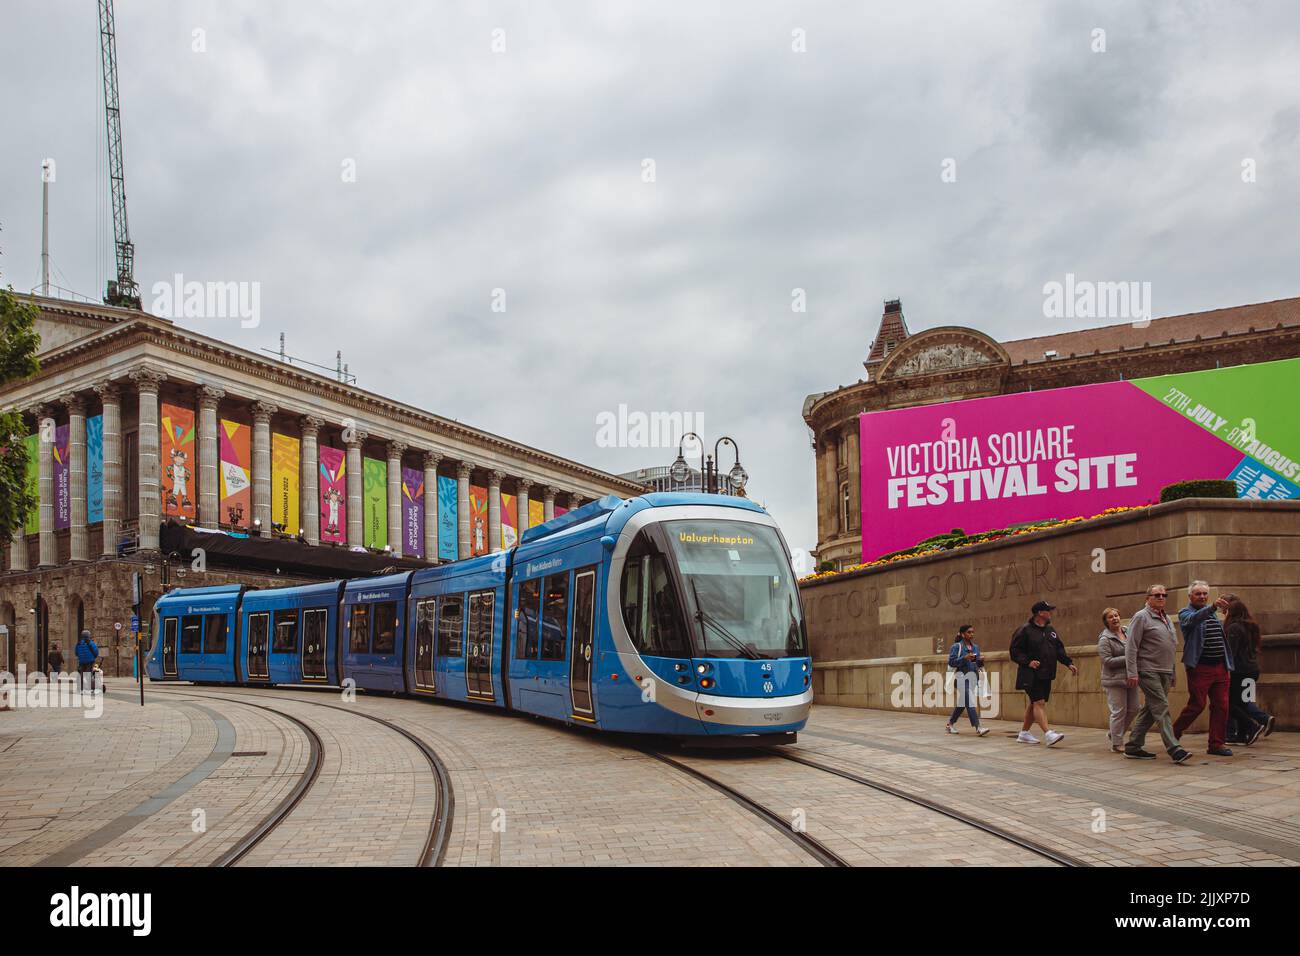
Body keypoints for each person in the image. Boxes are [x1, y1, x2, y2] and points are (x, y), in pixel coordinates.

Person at [1124, 584, 1192, 764]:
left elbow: (1170, 647)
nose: (1161, 597)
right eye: (1157, 595)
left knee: (1150, 709)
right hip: (1147, 670)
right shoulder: (1141, 617)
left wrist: (1173, 673)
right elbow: (1131, 647)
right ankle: (1174, 748)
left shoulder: (1167, 619)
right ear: (1148, 598)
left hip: (1165, 671)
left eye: (1164, 595)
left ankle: (1133, 746)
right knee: (1161, 707)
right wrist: (1132, 672)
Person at [1172, 581, 1234, 757]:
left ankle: (1216, 744)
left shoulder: (1212, 614)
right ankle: (1173, 732)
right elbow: (1194, 619)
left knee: (1221, 706)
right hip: (1200, 668)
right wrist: (1213, 607)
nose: (1202, 597)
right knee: (1197, 705)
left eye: (1205, 594)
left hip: (1221, 667)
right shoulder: (1185, 613)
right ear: (1190, 596)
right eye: (1198, 594)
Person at [1010, 600, 1077, 746]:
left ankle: (1024, 733)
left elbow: (1059, 649)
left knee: (1035, 703)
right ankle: (1048, 734)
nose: (1050, 613)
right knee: (1039, 702)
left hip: (1046, 673)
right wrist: (1028, 662)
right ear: (1040, 613)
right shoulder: (1024, 630)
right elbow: (1014, 652)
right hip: (1030, 673)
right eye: (1048, 610)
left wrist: (1068, 663)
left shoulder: (1050, 630)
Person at [1222, 594, 1273, 745]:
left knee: (1231, 703)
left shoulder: (1234, 627)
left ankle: (1258, 722)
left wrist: (1226, 669)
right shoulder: (1251, 626)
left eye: (1227, 611)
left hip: (1240, 671)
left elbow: (1231, 652)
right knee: (1244, 700)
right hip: (1252, 669)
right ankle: (1243, 734)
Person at [1097, 608, 1137, 753]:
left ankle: (1113, 734)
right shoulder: (1105, 639)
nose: (1114, 618)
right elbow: (1107, 661)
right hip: (1114, 680)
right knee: (1119, 711)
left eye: (1116, 615)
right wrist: (1129, 658)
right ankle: (1117, 743)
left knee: (1134, 709)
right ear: (1106, 621)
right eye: (1110, 617)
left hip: (1131, 677)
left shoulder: (1128, 632)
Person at [945, 625, 990, 736]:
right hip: (961, 677)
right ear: (962, 634)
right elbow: (951, 662)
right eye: (969, 632)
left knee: (963, 702)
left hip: (973, 678)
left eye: (972, 632)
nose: (971, 634)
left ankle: (950, 724)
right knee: (969, 701)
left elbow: (978, 664)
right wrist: (964, 658)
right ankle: (978, 727)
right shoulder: (957, 646)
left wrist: (981, 660)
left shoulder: (975, 647)